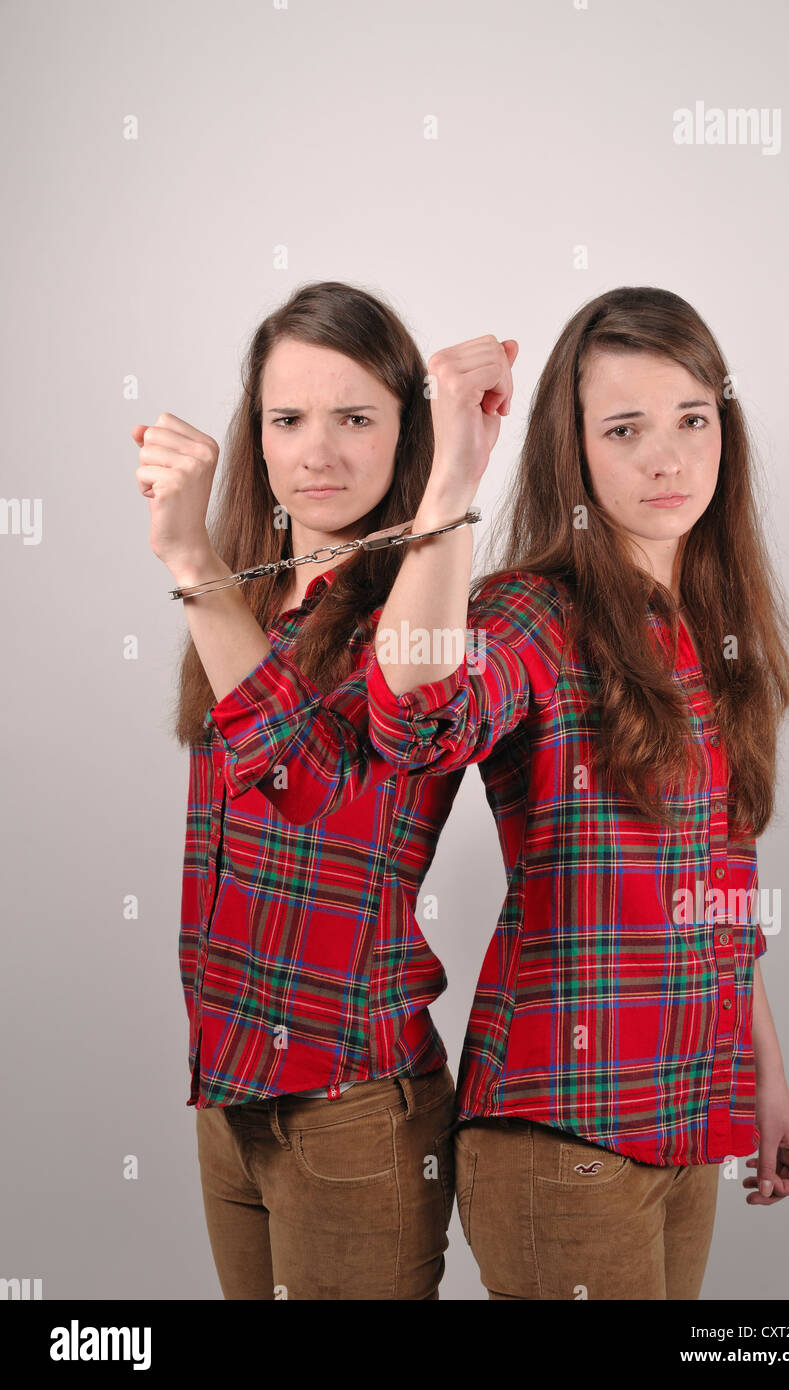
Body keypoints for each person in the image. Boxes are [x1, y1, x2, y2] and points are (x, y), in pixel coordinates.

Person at [365, 287, 789, 1300]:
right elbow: (413, 717)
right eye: (625, 429)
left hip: (685, 1119)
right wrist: (448, 484)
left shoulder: (709, 629)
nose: (666, 456)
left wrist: (764, 1081)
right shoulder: (530, 612)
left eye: (692, 419)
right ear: (575, 453)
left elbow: (719, 898)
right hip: (562, 1135)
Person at [131, 280, 462, 1300]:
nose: (317, 449)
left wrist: (187, 557)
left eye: (355, 417)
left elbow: (308, 782)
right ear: (258, 439)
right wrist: (212, 573)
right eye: (288, 418)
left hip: (352, 1103)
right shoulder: (254, 600)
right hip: (229, 1089)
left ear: (405, 435)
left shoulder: (420, 614)